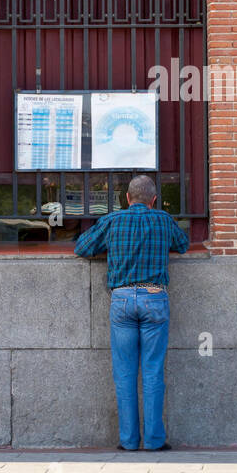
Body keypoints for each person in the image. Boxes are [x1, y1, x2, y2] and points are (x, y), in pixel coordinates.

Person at [74, 173, 189, 451]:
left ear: (127, 198)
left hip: (122, 299)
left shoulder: (113, 220)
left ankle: (127, 441)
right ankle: (153, 441)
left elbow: (83, 247)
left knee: (124, 373)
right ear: (154, 199)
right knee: (152, 371)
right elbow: (183, 245)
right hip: (154, 298)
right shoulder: (163, 219)